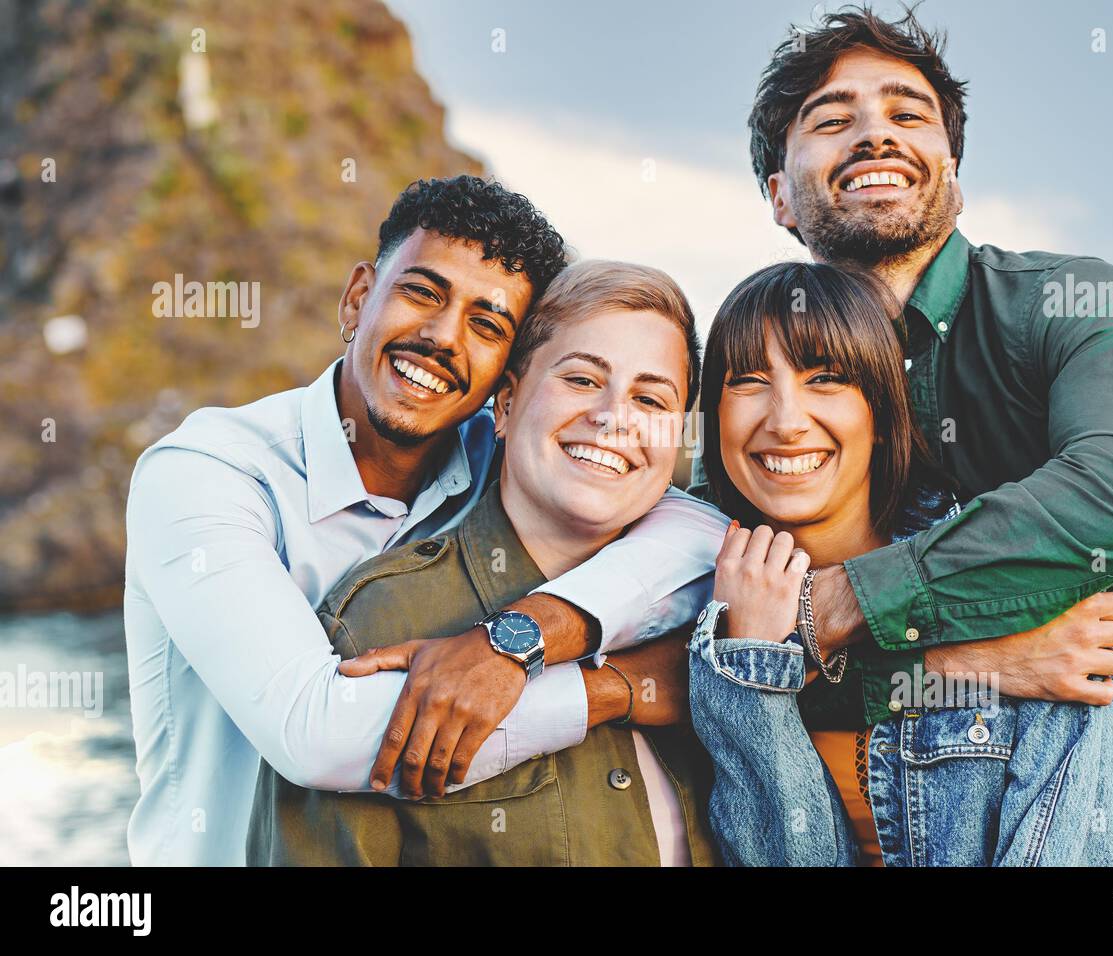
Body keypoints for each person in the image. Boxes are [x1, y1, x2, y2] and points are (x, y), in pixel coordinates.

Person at [705, 4, 1113, 864]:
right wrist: (983, 661)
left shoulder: (1085, 307)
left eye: (909, 115)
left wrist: (841, 605)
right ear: (779, 196)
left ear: (952, 169)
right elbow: (743, 661)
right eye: (833, 121)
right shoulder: (767, 412)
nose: (876, 135)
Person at [123, 177, 727, 865]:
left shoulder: (489, 448)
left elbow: (694, 527)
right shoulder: (211, 473)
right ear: (357, 299)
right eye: (423, 293)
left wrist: (520, 637)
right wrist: (612, 688)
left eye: (488, 324)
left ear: (505, 377)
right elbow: (312, 733)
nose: (442, 338)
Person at [688, 260, 1113, 865]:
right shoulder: (689, 594)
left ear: (880, 415)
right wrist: (750, 664)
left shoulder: (1028, 613)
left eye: (826, 378)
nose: (787, 421)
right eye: (747, 380)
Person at [246, 260, 719, 866]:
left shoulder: (716, 609)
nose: (613, 418)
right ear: (506, 403)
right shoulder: (379, 622)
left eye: (650, 398)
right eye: (580, 380)